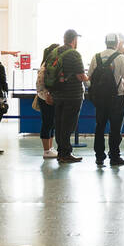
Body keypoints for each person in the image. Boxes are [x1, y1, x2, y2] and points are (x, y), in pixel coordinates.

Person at [88, 33, 124, 166]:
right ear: (117, 43)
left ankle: (99, 157)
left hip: (100, 98)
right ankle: (114, 157)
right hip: (117, 98)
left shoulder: (96, 57)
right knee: (115, 129)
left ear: (105, 42)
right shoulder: (121, 58)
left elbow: (89, 77)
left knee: (100, 126)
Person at [47, 29, 87, 163]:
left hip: (57, 94)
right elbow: (80, 76)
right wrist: (90, 77)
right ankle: (65, 153)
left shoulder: (54, 52)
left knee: (59, 124)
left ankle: (61, 152)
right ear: (74, 40)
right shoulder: (74, 54)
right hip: (72, 95)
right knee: (68, 125)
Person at [35, 42, 58, 158]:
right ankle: (46, 150)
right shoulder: (47, 66)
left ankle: (50, 148)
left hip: (45, 97)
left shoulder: (47, 64)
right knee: (47, 123)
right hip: (46, 98)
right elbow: (44, 84)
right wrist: (48, 94)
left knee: (51, 123)